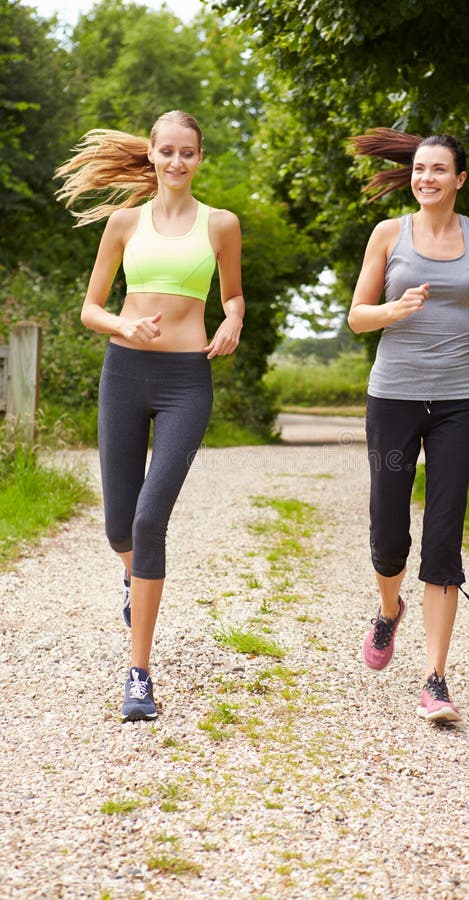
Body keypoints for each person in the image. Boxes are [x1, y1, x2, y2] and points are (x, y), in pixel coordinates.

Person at [55, 110, 244, 722]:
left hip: (188, 380)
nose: (176, 162)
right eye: (166, 151)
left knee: (149, 518)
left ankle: (139, 673)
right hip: (124, 374)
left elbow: (233, 295)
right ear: (152, 156)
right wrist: (123, 324)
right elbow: (89, 308)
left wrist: (233, 320)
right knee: (119, 529)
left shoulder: (221, 225)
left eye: (187, 152)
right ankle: (132, 581)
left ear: (200, 157)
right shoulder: (124, 223)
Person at [347, 128, 469, 722]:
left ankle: (436, 678)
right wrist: (394, 310)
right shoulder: (389, 234)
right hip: (393, 396)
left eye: (439, 170)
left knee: (444, 531)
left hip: (457, 402)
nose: (426, 178)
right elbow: (358, 316)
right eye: (419, 169)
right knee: (388, 529)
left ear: (459, 180)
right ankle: (389, 610)